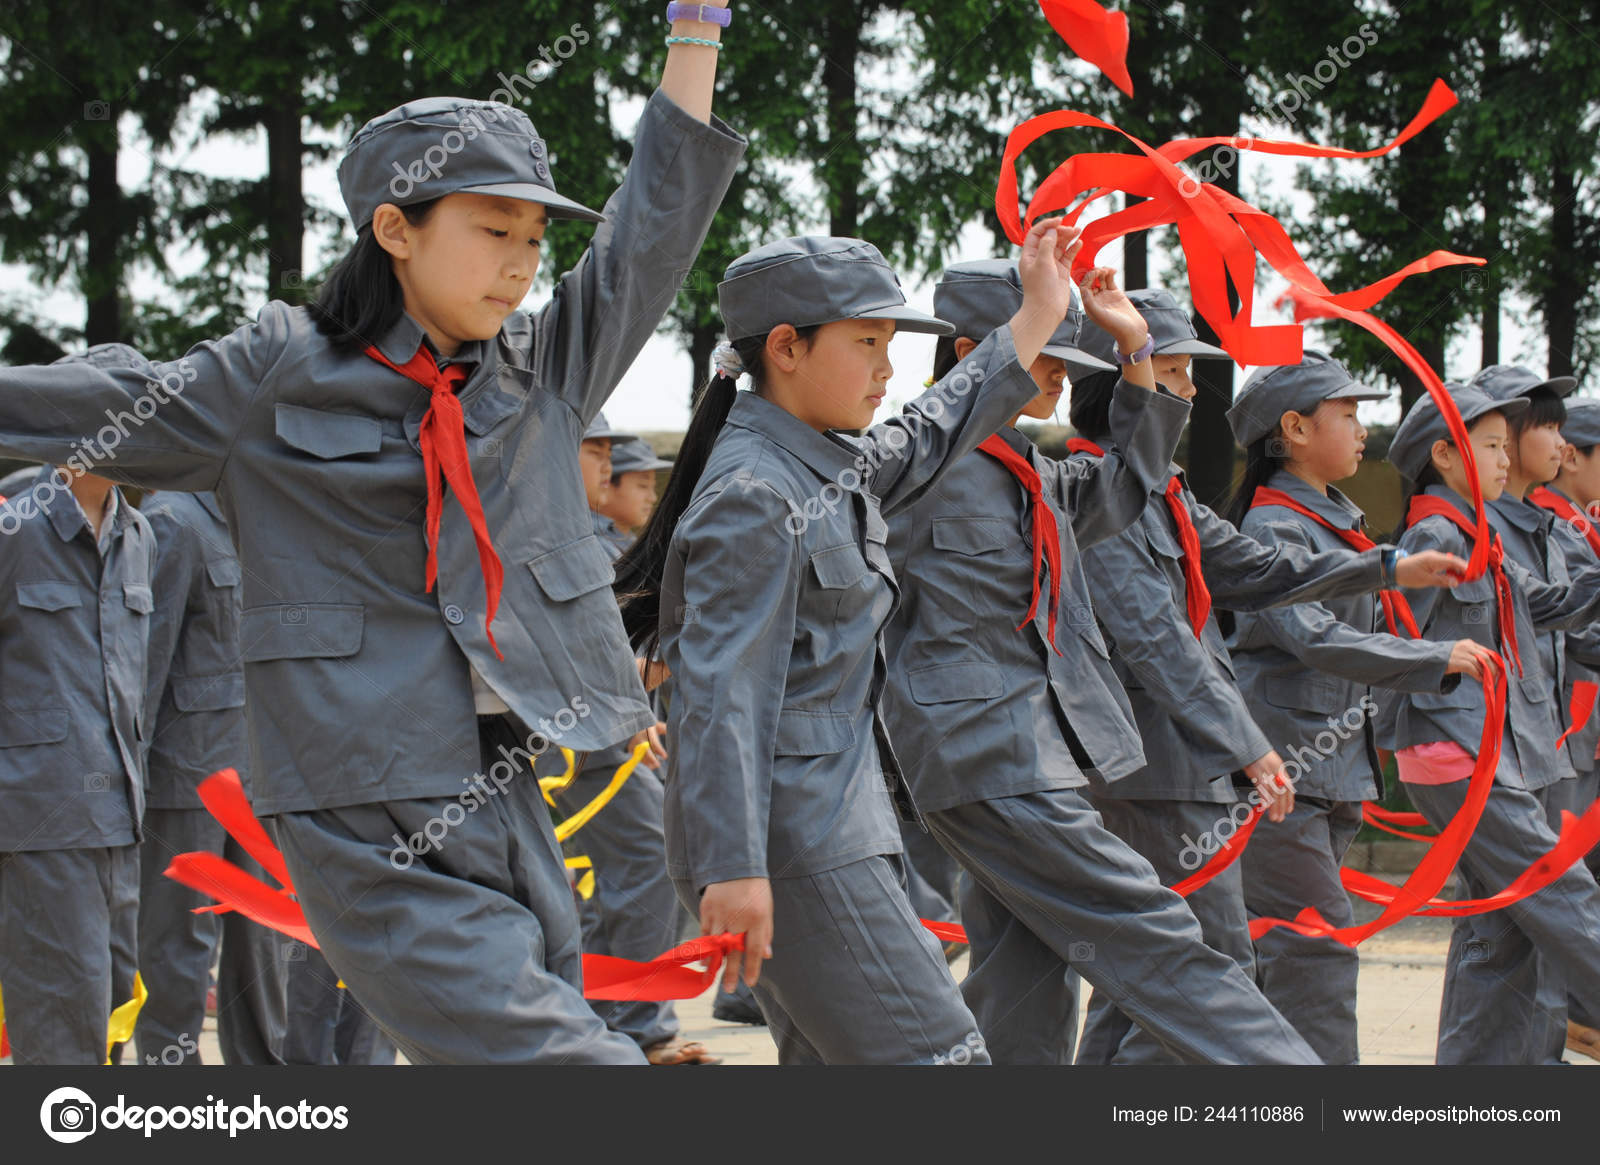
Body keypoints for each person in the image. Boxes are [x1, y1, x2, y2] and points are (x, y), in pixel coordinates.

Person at [0, 13, 744, 1064]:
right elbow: (78, 404)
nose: (523, 264)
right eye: (493, 230)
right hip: (360, 795)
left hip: (509, 768)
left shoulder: (544, 366)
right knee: (558, 1059)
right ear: (395, 229)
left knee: (538, 1034)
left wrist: (698, 24)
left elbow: (654, 223)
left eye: (536, 239)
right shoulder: (274, 370)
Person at [616, 223, 1083, 1063]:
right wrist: (732, 866)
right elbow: (722, 693)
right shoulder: (755, 492)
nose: (888, 368)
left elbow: (938, 424)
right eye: (867, 341)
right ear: (787, 348)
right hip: (794, 847)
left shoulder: (828, 467)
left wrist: (1038, 315)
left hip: (824, 833)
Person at [881, 263, 1345, 1066]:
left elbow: (1129, 485)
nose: (1061, 381)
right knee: (1163, 937)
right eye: (1047, 359)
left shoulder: (1035, 471)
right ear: (971, 356)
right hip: (987, 759)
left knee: (1025, 979)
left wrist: (1134, 353)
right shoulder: (914, 464)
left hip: (1037, 757)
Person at [1065, 299, 1469, 1065]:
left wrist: (1385, 564)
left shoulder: (1165, 491)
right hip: (1170, 767)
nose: (1186, 392)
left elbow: (1261, 571)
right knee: (1213, 970)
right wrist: (1249, 746)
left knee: (1156, 977)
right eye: (1171, 372)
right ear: (1120, 383)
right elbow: (1161, 644)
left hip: (1197, 766)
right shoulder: (1100, 491)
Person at [1222, 353, 1492, 1065]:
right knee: (1316, 948)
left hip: (1327, 773)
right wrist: (1431, 659)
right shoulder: (1275, 527)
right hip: (1282, 773)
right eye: (1346, 413)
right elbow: (1315, 638)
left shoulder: (1333, 520)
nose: (1362, 427)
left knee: (1264, 957)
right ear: (1295, 428)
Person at [1379, 383, 1600, 1064]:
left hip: (1487, 749)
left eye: (1507, 444)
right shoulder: (1435, 534)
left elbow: (1550, 608)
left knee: (1505, 929)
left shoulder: (1478, 535)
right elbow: (1386, 640)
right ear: (1445, 455)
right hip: (1456, 749)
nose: (1504, 459)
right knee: (1558, 884)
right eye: (1492, 445)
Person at [0, 347, 156, 1064]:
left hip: (120, 822)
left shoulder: (138, 535)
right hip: (38, 821)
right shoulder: (15, 525)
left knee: (111, 1019)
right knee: (60, 1027)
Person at [135, 485, 290, 1066]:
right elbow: (144, 661)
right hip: (185, 776)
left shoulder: (248, 516)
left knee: (263, 947)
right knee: (178, 950)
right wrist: (129, 773)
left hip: (256, 773)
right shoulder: (172, 521)